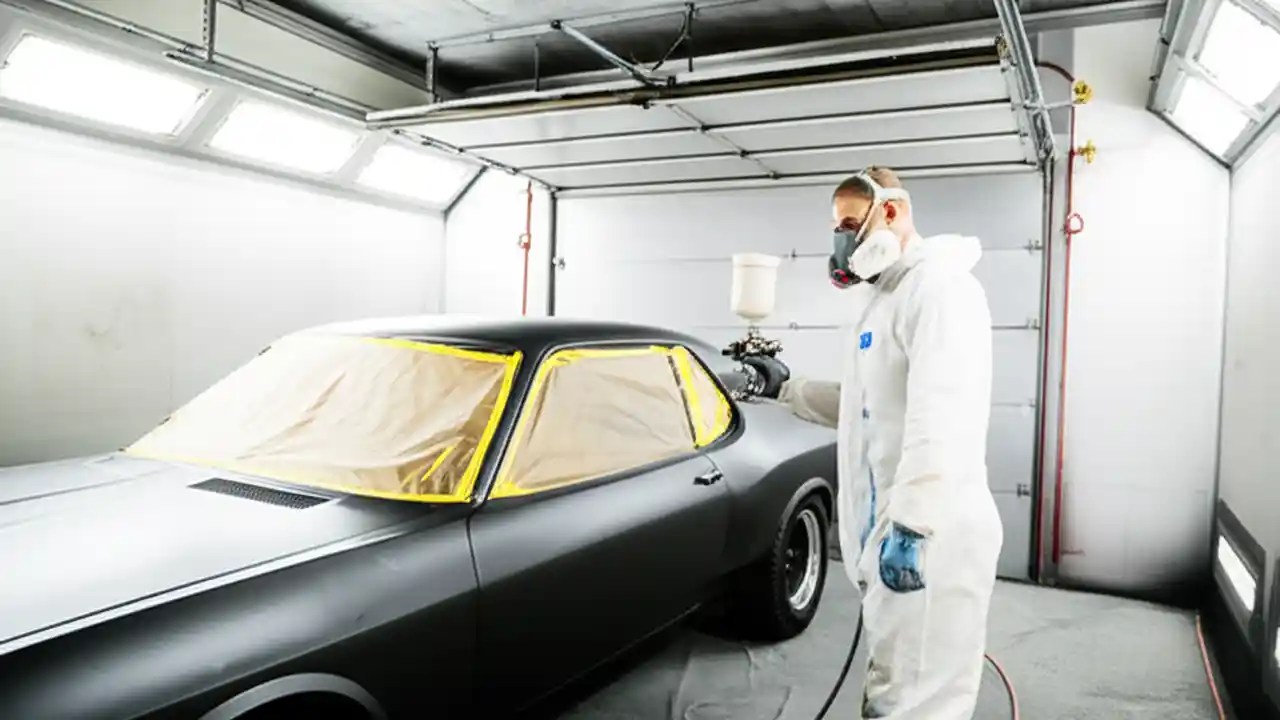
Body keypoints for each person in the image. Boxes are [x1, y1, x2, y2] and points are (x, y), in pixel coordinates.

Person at [745, 166, 1003, 719]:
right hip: (893, 531)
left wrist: (912, 526)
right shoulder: (886, 298)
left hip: (930, 536)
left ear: (891, 211)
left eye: (848, 226)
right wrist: (786, 388)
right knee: (895, 690)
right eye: (836, 230)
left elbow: (942, 415)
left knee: (913, 703)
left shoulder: (940, 289)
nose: (841, 242)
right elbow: (862, 406)